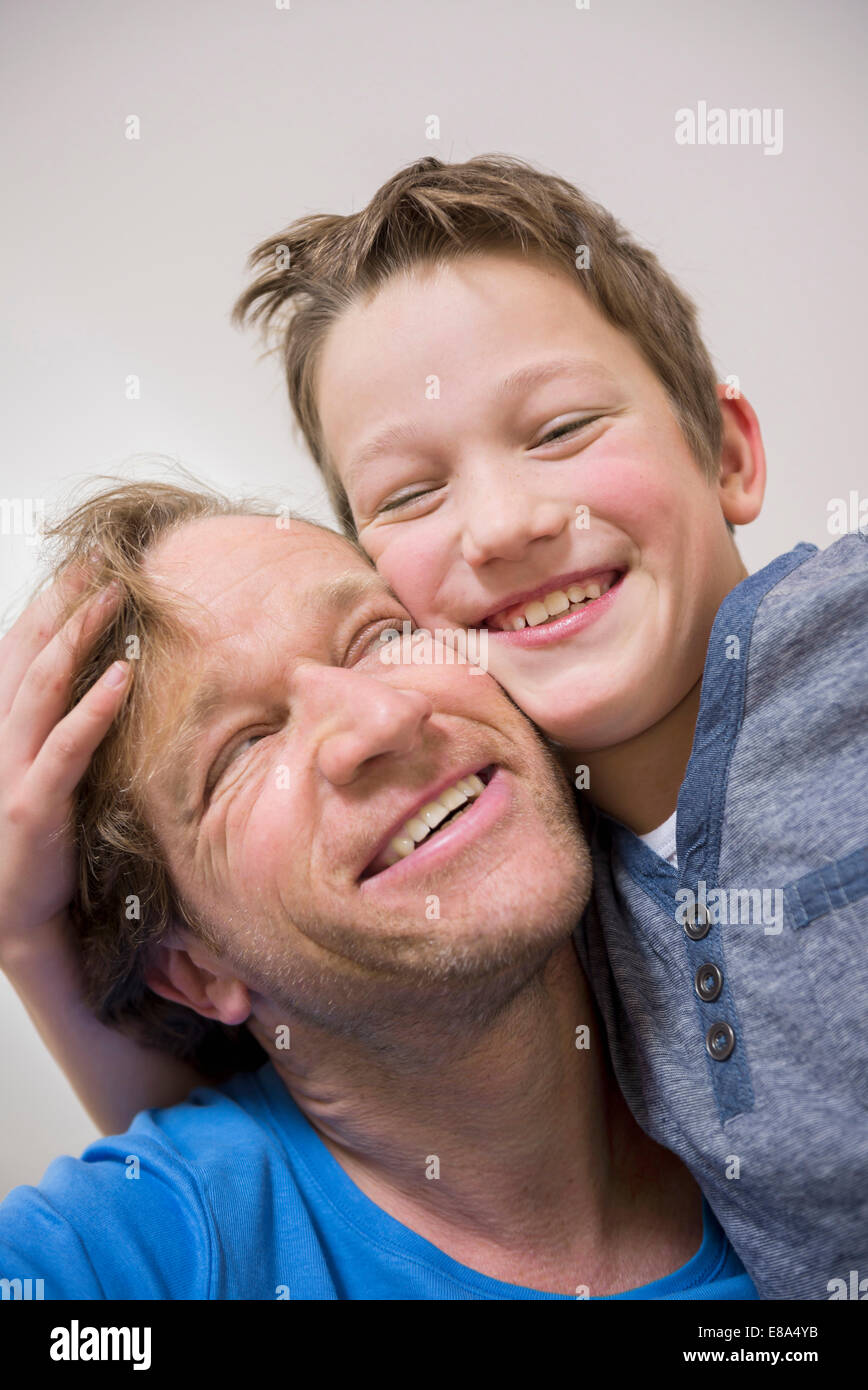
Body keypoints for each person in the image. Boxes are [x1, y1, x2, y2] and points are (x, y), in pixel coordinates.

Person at [226, 154, 868, 1300]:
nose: (504, 524)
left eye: (563, 428)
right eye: (411, 495)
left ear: (726, 452)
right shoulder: (515, 878)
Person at [0, 481, 756, 1300]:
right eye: (241, 749)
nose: (382, 718)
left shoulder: (789, 998)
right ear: (195, 970)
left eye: (382, 634)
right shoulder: (120, 1254)